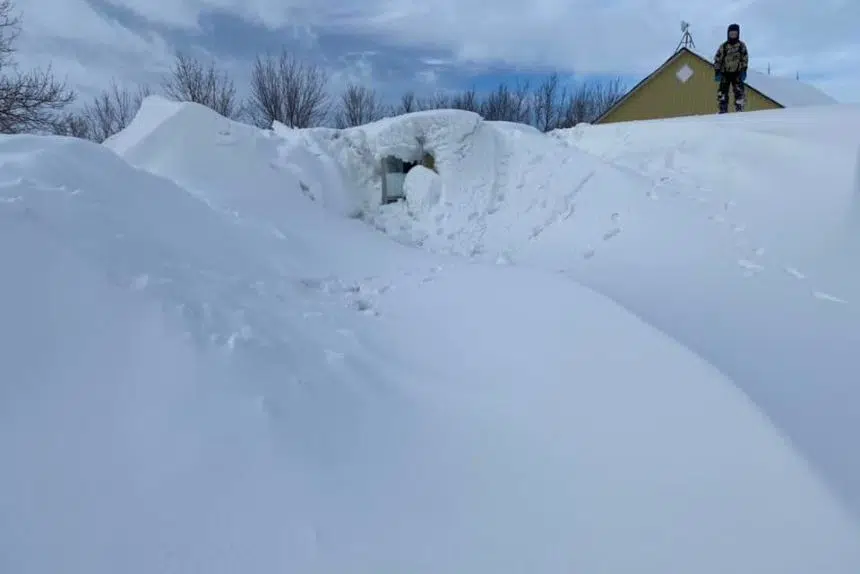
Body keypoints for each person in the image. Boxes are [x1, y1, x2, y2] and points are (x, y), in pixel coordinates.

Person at [713, 23, 749, 113]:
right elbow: (717, 59)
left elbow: (745, 58)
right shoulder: (724, 46)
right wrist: (717, 71)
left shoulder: (741, 46)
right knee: (722, 93)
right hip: (725, 73)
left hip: (737, 72)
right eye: (731, 34)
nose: (733, 35)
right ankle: (723, 110)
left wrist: (744, 70)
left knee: (739, 92)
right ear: (728, 34)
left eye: (735, 34)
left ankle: (739, 109)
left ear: (738, 34)